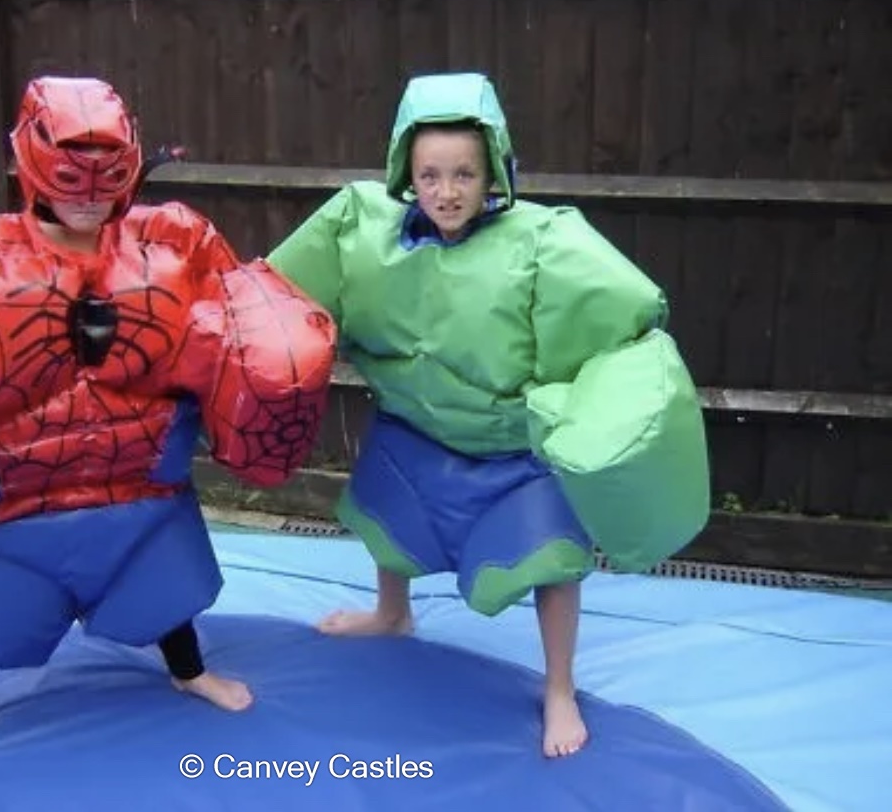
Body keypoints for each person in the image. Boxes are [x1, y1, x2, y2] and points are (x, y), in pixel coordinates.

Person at [0, 75, 336, 782]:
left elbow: (244, 314)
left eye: (107, 175)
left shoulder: (175, 243)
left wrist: (275, 354)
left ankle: (188, 672)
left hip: (137, 485)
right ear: (30, 163)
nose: (88, 193)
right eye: (69, 174)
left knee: (166, 595)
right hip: (5, 497)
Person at [267, 72, 709, 758]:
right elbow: (283, 292)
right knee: (389, 523)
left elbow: (625, 318)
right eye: (431, 175)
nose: (447, 191)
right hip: (417, 429)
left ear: (495, 171)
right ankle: (393, 612)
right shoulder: (363, 231)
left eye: (465, 174)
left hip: (511, 452)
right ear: (405, 174)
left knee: (554, 562)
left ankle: (558, 686)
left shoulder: (542, 243)